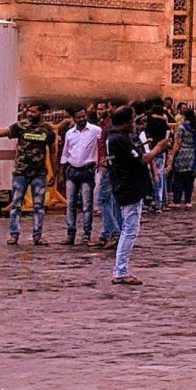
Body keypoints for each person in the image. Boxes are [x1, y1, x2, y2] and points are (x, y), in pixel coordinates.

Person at [106, 104, 159, 281]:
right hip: (128, 187)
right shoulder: (119, 140)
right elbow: (142, 159)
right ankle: (120, 271)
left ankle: (121, 270)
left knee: (128, 228)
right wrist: (160, 147)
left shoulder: (116, 138)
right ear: (127, 121)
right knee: (130, 229)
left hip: (126, 186)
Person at [8, 104, 56, 245]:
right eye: (29, 111)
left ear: (41, 113)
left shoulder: (47, 130)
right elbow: (2, 132)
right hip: (20, 172)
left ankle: (37, 235)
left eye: (33, 111)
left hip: (39, 173)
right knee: (16, 204)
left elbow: (52, 151)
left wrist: (54, 171)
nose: (30, 114)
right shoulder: (20, 126)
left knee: (39, 206)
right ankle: (14, 234)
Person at [60, 107, 104, 246]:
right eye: (79, 117)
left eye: (83, 116)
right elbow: (66, 152)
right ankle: (70, 233)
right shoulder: (69, 133)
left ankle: (86, 234)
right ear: (74, 119)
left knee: (87, 205)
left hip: (87, 170)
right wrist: (62, 171)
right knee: (70, 204)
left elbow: (102, 145)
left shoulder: (95, 131)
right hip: (72, 170)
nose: (82, 119)